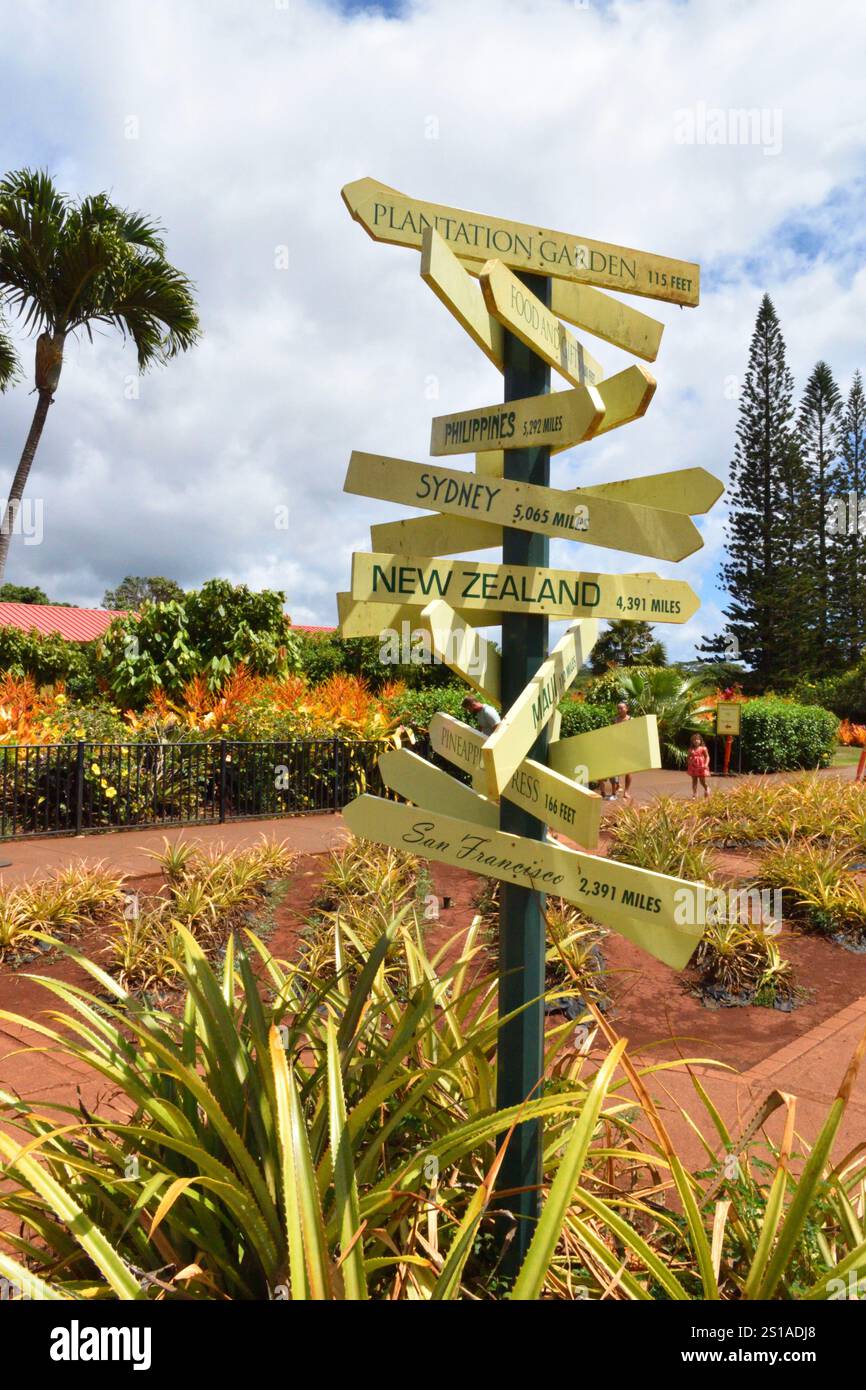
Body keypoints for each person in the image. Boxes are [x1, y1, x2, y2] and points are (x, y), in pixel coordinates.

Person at [609, 700, 633, 802]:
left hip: (628, 748)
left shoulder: (631, 719)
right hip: (616, 747)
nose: (620, 710)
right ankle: (614, 791)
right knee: (614, 770)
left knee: (628, 771)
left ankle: (626, 791)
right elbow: (610, 733)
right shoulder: (615, 720)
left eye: (622, 708)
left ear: (626, 709)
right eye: (618, 708)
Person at [687, 732, 711, 799]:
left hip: (701, 766)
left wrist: (706, 764)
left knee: (702, 781)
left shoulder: (703, 748)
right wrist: (689, 762)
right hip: (693, 767)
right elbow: (688, 757)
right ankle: (694, 794)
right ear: (692, 741)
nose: (696, 741)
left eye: (697, 739)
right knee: (694, 780)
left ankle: (707, 788)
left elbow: (707, 757)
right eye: (694, 740)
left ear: (700, 740)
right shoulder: (691, 749)